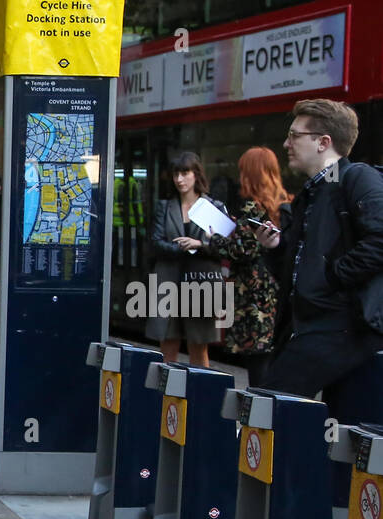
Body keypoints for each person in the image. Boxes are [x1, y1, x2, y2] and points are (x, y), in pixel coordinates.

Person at [255, 99, 383, 397]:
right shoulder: (312, 192)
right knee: (321, 425)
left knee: (268, 409)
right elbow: (299, 268)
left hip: (341, 327)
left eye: (294, 135)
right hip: (310, 326)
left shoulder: (358, 178)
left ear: (324, 142)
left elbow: (380, 240)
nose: (286, 144)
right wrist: (275, 249)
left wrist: (332, 277)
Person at [207, 147, 291, 387]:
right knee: (271, 359)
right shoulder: (285, 204)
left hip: (253, 296)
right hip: (276, 290)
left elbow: (241, 250)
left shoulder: (253, 208)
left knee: (257, 365)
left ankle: (259, 418)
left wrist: (213, 237)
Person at [150, 152, 225, 367]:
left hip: (201, 284)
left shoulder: (213, 207)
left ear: (196, 175)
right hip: (168, 283)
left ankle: (199, 397)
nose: (180, 180)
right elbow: (155, 243)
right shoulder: (164, 207)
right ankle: (166, 399)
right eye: (176, 174)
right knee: (167, 349)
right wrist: (182, 248)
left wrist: (199, 245)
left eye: (185, 173)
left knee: (198, 349)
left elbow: (223, 248)